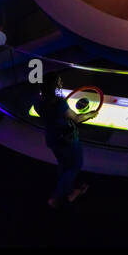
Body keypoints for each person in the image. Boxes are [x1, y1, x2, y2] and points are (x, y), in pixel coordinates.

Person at [33, 74, 97, 209]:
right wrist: (90, 114)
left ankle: (68, 191)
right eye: (59, 81)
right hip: (66, 138)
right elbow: (76, 118)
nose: (61, 83)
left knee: (63, 164)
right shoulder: (59, 103)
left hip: (51, 136)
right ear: (54, 86)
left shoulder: (37, 100)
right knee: (74, 166)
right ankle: (56, 198)